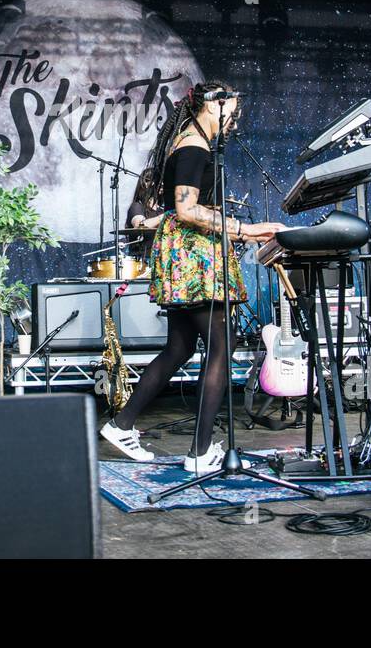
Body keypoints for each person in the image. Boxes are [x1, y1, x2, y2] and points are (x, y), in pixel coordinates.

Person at [100, 82, 284, 472]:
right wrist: (245, 229)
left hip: (187, 253)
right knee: (221, 345)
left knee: (180, 349)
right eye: (232, 109)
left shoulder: (188, 142)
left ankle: (122, 424)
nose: (235, 119)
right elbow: (186, 209)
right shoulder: (193, 146)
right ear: (213, 107)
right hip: (194, 256)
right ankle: (200, 454)